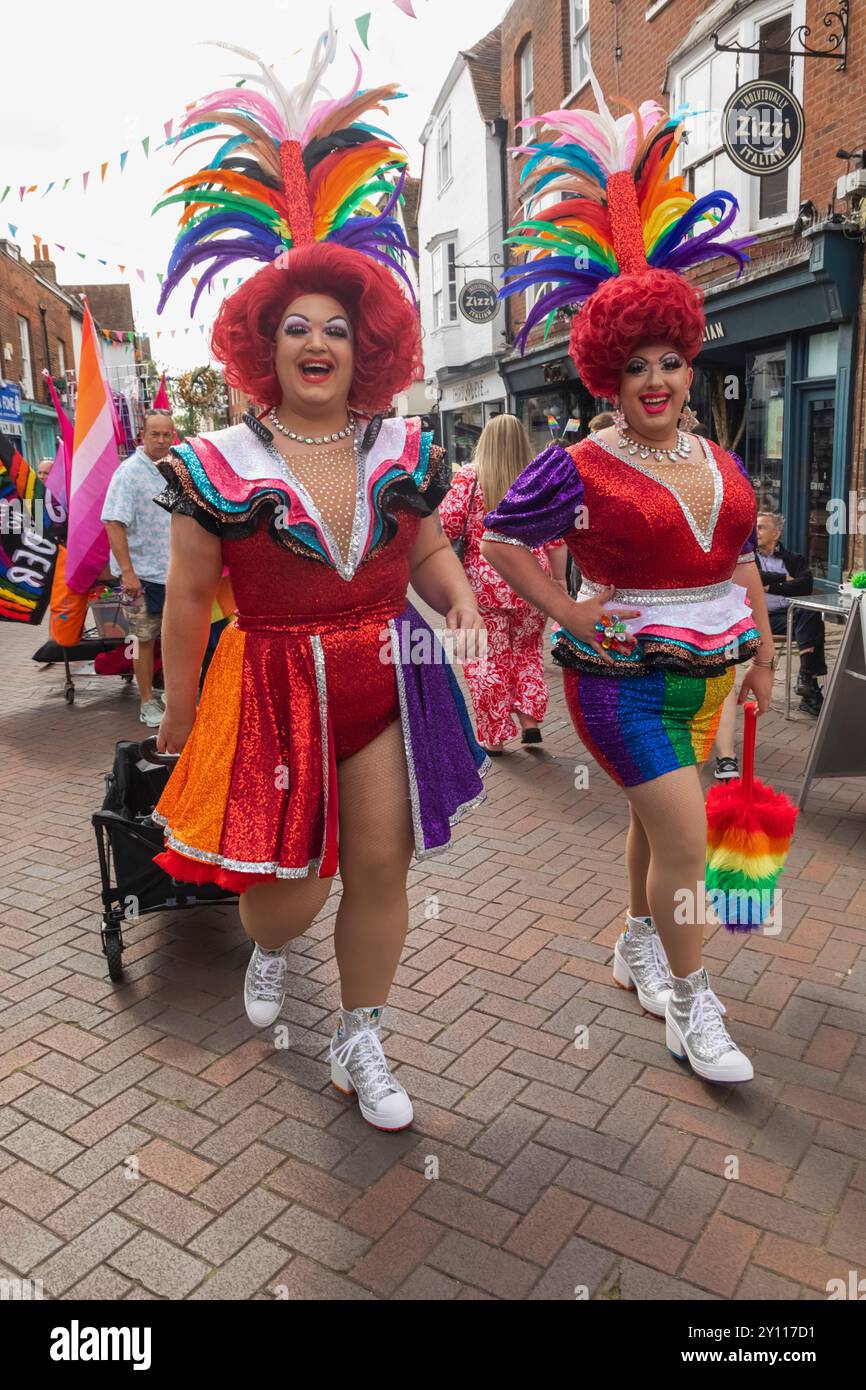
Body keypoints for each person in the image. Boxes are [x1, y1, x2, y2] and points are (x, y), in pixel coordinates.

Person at [150, 29, 489, 1132]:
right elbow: (189, 603)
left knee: (381, 859)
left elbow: (428, 545)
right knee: (281, 899)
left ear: (364, 347)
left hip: (380, 672)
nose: (315, 343)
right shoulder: (218, 467)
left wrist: (460, 596)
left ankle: (361, 1036)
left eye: (334, 330)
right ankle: (269, 951)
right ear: (263, 345)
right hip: (270, 686)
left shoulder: (399, 451)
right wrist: (183, 716)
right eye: (292, 327)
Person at [481, 77, 776, 1084]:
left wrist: (766, 644)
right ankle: (694, 1009)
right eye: (634, 365)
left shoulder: (717, 459)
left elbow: (734, 553)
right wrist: (564, 606)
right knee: (688, 838)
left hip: (712, 672)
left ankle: (636, 944)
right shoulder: (577, 463)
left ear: (690, 366)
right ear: (607, 376)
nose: (655, 378)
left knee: (661, 829)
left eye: (670, 360)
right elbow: (499, 536)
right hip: (616, 675)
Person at [439, 413, 567, 754]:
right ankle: (530, 720)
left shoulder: (468, 478)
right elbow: (557, 537)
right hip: (531, 579)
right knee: (527, 652)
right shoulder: (536, 479)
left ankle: (494, 735)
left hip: (483, 582)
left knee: (483, 656)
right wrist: (557, 580)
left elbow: (446, 528)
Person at [100, 409, 175, 725]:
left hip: (172, 574)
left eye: (166, 434)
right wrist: (128, 572)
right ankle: (146, 702)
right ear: (141, 436)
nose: (160, 440)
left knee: (174, 637)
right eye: (154, 434)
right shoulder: (128, 473)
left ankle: (172, 696)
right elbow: (113, 522)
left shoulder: (175, 469)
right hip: (139, 576)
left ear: (174, 436)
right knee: (143, 639)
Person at [756, 510, 826, 716]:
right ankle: (810, 689)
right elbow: (754, 577)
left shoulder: (794, 559)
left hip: (789, 616)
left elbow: (805, 585)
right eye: (754, 527)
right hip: (760, 619)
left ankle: (806, 677)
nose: (755, 532)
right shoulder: (747, 559)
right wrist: (783, 578)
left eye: (761, 527)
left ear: (776, 533)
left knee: (809, 613)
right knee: (813, 629)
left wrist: (770, 587)